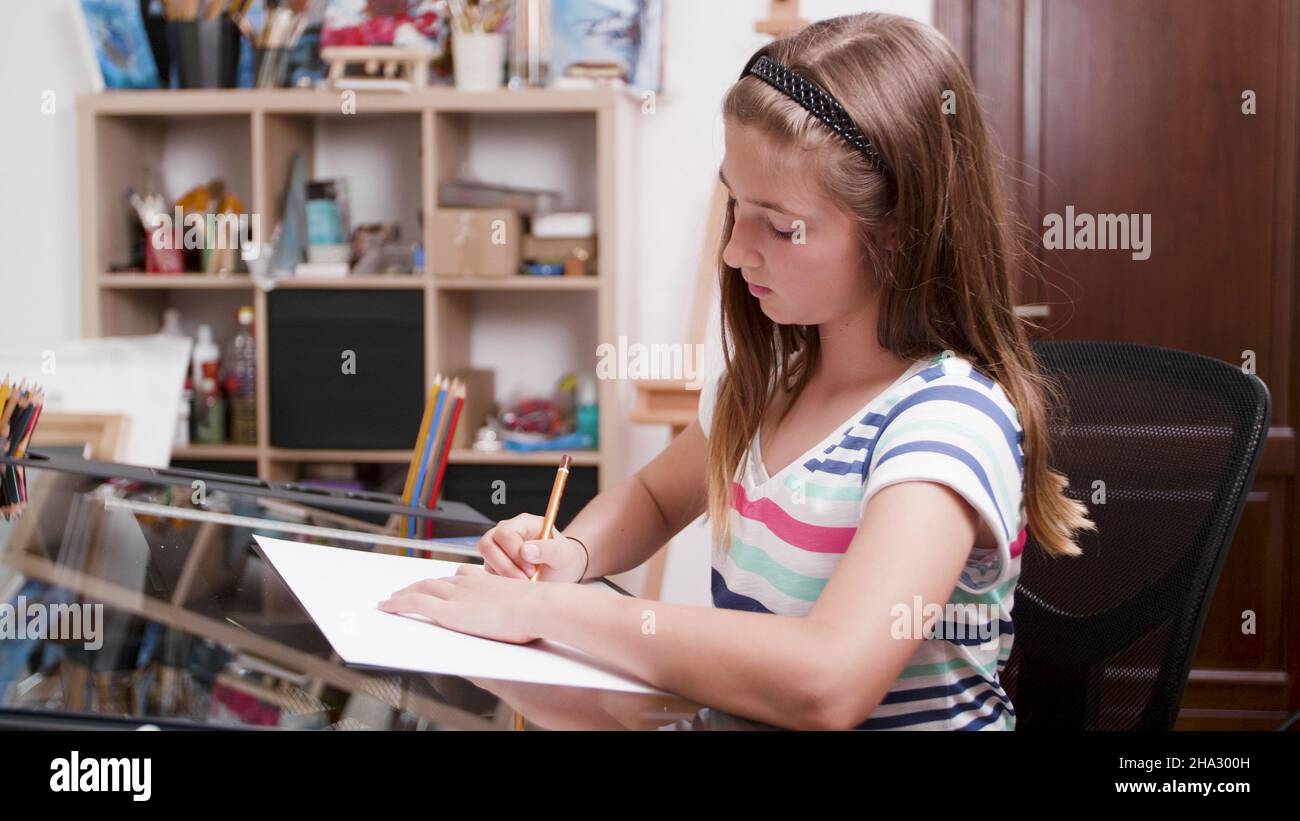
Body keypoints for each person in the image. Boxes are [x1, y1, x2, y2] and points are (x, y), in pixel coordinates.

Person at [380, 11, 1094, 730]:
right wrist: (571, 553)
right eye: (734, 205)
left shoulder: (947, 421)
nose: (733, 250)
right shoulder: (767, 392)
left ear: (900, 230)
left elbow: (828, 680)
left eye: (780, 226)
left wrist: (547, 608)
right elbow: (657, 501)